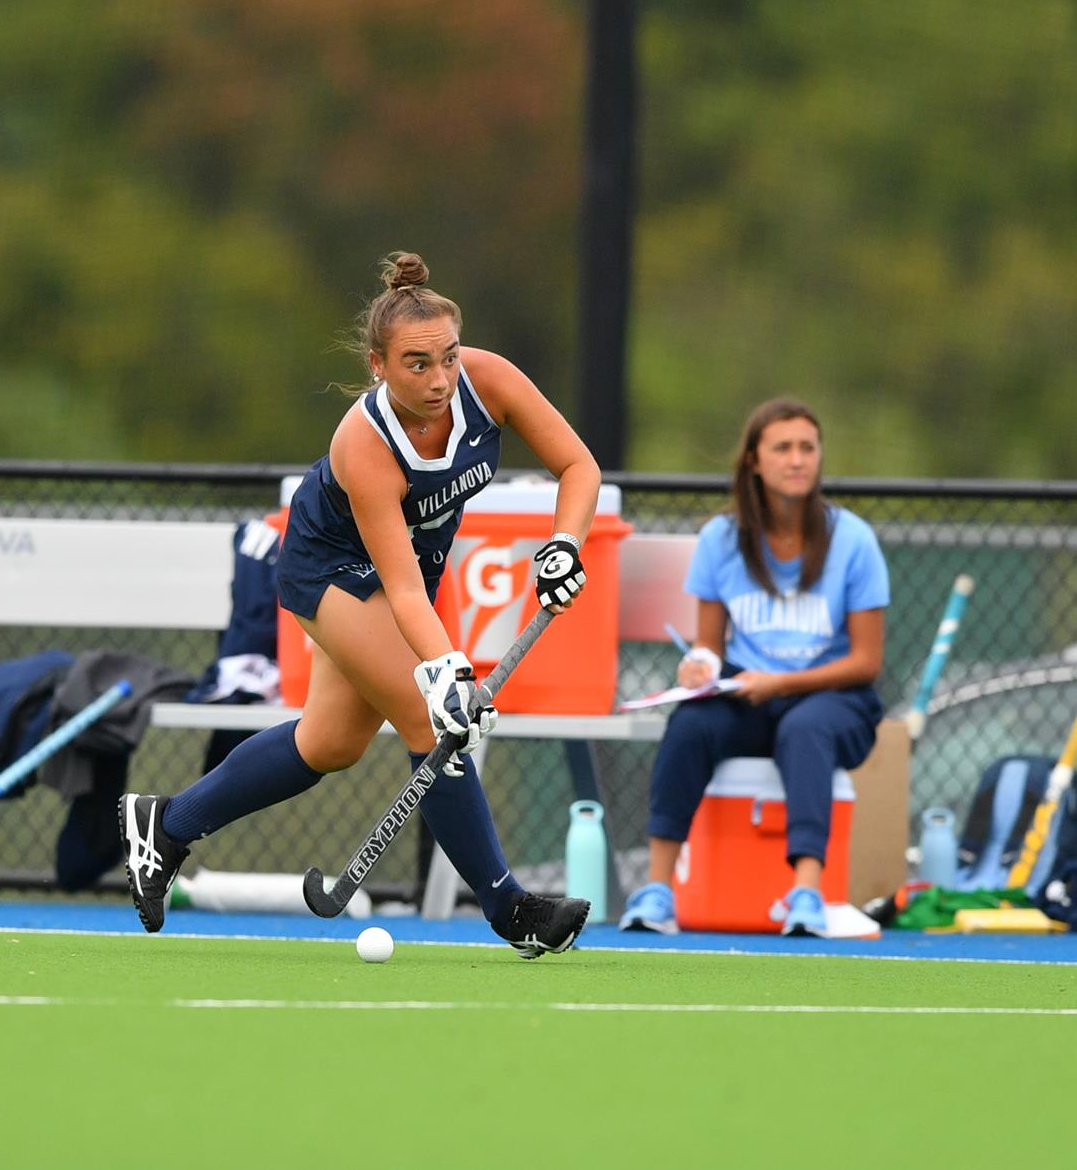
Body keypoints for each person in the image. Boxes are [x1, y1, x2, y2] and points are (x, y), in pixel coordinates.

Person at [119, 251, 601, 957]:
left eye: (448, 357)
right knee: (428, 716)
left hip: (407, 571)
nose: (439, 380)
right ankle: (510, 908)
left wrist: (565, 544)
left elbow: (578, 465)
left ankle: (166, 824)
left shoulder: (488, 381)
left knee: (329, 743)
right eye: (416, 364)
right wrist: (446, 673)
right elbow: (398, 588)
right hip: (331, 568)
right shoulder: (364, 442)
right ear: (378, 364)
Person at [618, 397, 888, 937]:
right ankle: (657, 892)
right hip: (749, 696)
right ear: (754, 461)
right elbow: (708, 644)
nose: (797, 460)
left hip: (835, 703)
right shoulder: (721, 538)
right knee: (691, 725)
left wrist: (781, 683)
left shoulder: (853, 539)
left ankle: (806, 894)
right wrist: (699, 666)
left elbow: (866, 662)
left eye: (807, 448)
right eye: (782, 448)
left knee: (805, 728)